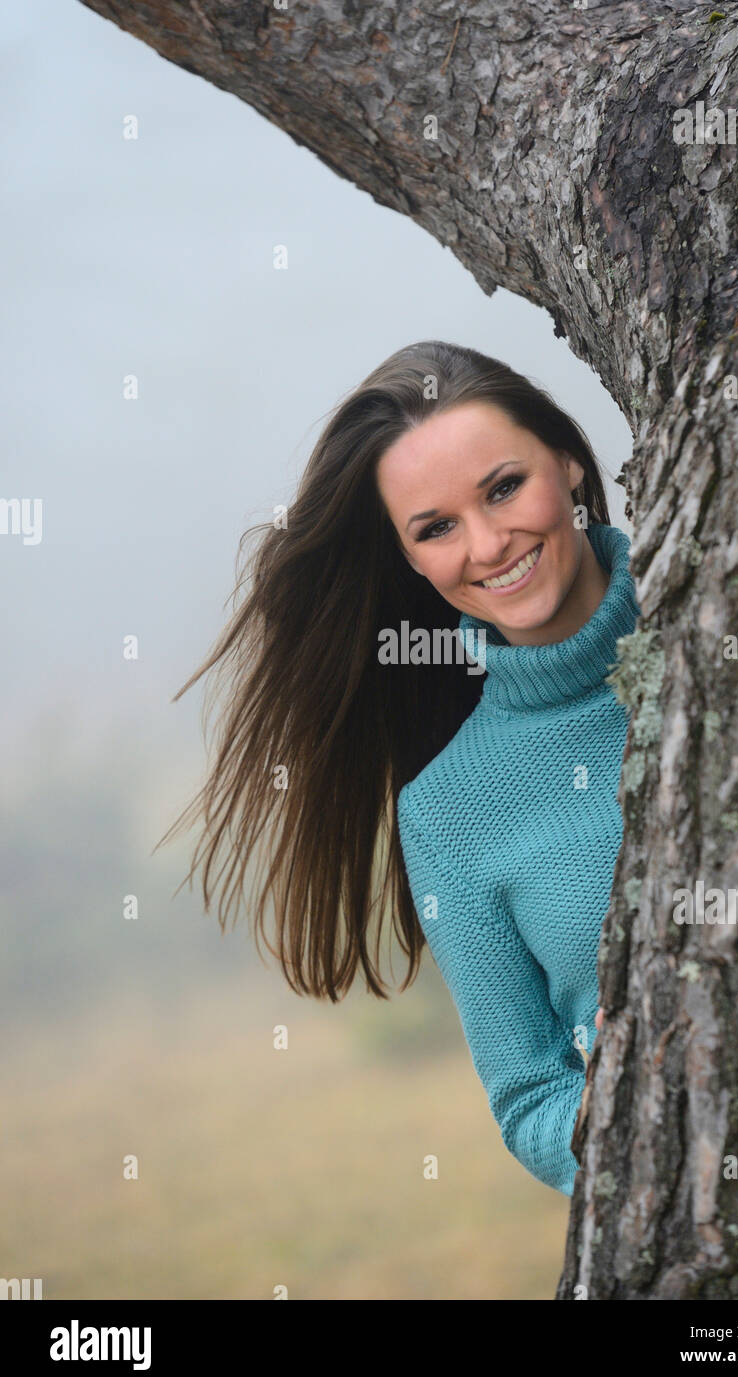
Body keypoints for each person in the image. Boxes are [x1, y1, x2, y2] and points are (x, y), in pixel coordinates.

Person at [161, 340, 639, 1198]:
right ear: (409, 559)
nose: (490, 543)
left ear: (566, 462)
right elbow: (526, 1094)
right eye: (436, 528)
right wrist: (629, 1113)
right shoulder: (447, 808)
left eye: (503, 487)